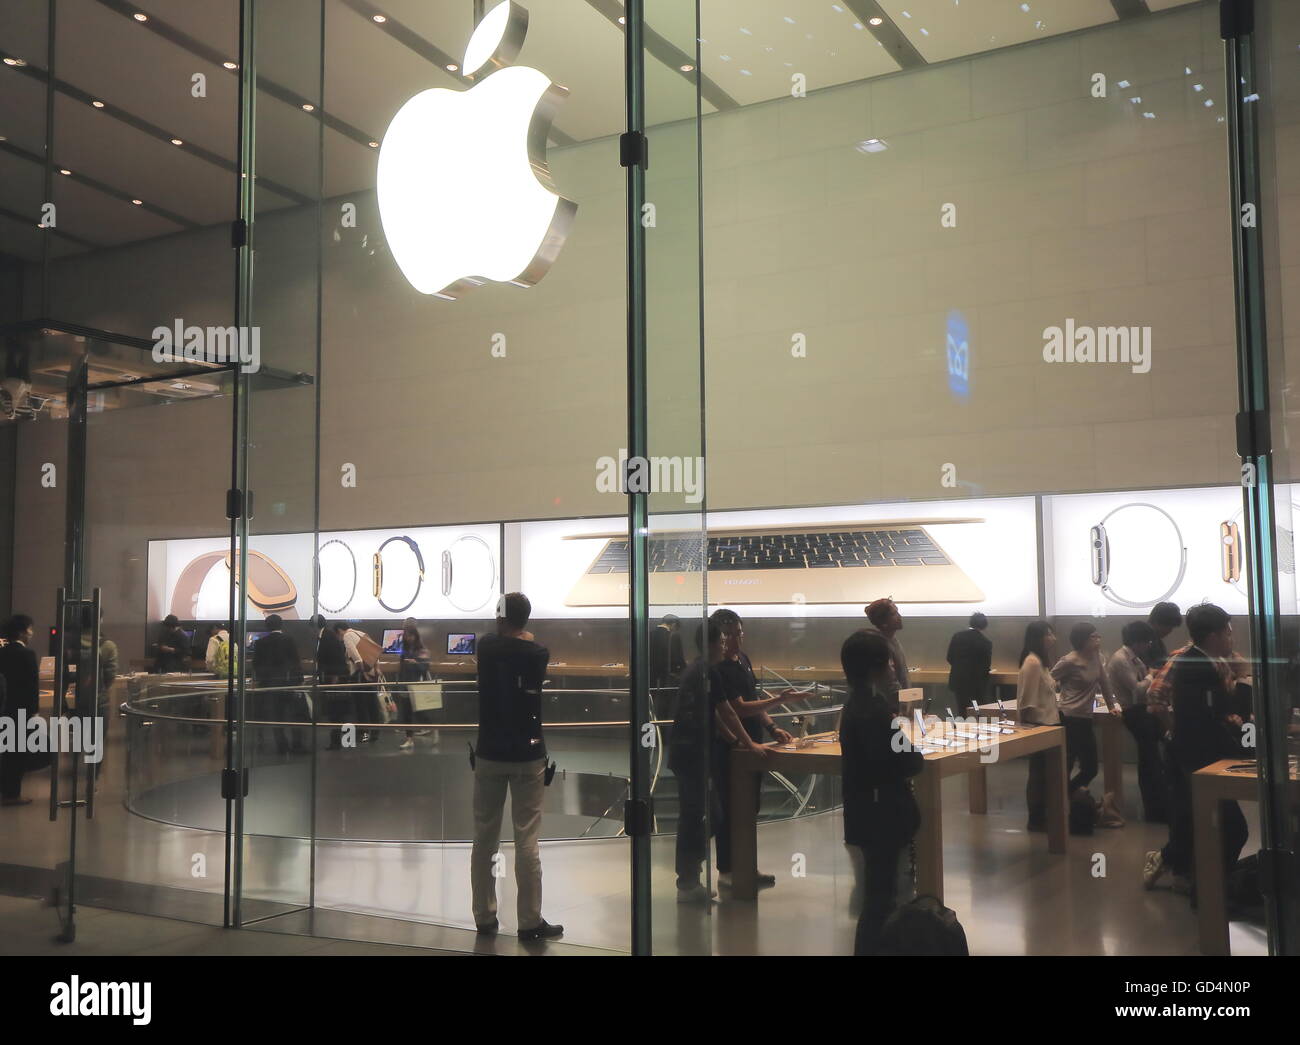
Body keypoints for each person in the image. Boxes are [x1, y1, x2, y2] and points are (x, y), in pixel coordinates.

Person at [470, 593, 563, 941]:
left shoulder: (487, 648)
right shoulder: (537, 654)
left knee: (484, 836)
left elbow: (496, 640)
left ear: (499, 617)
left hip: (489, 752)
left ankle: (484, 915)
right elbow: (530, 647)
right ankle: (529, 920)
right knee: (527, 837)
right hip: (528, 755)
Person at [1145, 603, 1249, 896]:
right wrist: (1172, 730)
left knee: (1191, 818)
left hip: (1200, 754)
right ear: (1214, 636)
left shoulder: (1212, 661)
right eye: (1228, 633)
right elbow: (1157, 696)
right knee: (1216, 823)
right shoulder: (1189, 661)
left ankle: (1191, 877)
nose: (1232, 639)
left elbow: (1219, 709)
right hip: (1195, 757)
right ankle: (1206, 888)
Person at [668, 620, 766, 903]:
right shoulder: (707, 672)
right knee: (700, 817)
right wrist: (748, 743)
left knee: (702, 815)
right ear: (712, 644)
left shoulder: (699, 670)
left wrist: (738, 740)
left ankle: (689, 878)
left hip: (692, 754)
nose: (726, 646)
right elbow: (730, 713)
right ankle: (687, 881)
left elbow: (717, 715)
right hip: (692, 756)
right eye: (722, 641)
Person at [840, 629, 924, 955]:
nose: (892, 668)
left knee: (876, 895)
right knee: (883, 897)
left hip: (865, 813)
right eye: (888, 662)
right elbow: (909, 761)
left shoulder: (856, 706)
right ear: (876, 666)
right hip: (884, 816)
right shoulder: (874, 711)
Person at [709, 608, 795, 889]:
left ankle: (747, 865)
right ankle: (726, 870)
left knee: (749, 808)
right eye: (730, 635)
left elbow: (753, 700)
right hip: (730, 750)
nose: (736, 640)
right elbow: (737, 710)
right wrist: (778, 701)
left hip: (752, 745)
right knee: (730, 808)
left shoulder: (743, 660)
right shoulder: (717, 668)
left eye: (739, 633)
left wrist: (772, 728)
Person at [1108, 620, 1169, 823]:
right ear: (1137, 641)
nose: (1149, 645)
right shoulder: (1120, 659)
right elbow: (1137, 689)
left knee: (1152, 759)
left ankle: (1159, 805)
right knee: (1149, 760)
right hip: (1133, 711)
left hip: (1142, 710)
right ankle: (1154, 809)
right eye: (1147, 641)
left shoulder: (1134, 658)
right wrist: (1152, 676)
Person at [1051, 622, 1120, 795]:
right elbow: (1048, 680)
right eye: (1093, 636)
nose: (1098, 639)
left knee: (1090, 768)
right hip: (1069, 716)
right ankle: (1062, 802)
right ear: (1083, 639)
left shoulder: (1097, 657)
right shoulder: (1069, 660)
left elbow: (1105, 683)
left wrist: (1111, 706)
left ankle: (1067, 795)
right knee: (1066, 763)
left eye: (1098, 636)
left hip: (1085, 718)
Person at [1016, 621, 1060, 832]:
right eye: (1049, 634)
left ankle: (1042, 815)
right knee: (1038, 774)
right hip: (1039, 724)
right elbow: (1027, 701)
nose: (1053, 638)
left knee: (1044, 774)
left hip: (1049, 723)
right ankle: (1036, 818)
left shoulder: (1041, 663)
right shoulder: (1032, 663)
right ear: (1039, 637)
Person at [250, 614, 306, 755]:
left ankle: (281, 745)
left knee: (277, 716)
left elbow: (256, 664)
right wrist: (299, 680)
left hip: (270, 685)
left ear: (267, 626)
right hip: (288, 684)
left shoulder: (261, 643)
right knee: (295, 716)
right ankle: (297, 745)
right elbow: (295, 661)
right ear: (281, 625)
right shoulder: (289, 640)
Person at [0, 615, 39, 806]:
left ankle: (5, 790)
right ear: (23, 631)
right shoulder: (28, 655)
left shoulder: (2, 653)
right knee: (18, 754)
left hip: (4, 709)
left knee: (6, 752)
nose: (32, 633)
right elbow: (32, 687)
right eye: (30, 629)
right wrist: (34, 711)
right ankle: (13, 794)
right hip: (21, 711)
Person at [314, 615, 351, 749]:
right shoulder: (327, 636)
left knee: (336, 711)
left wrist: (334, 678)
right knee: (339, 711)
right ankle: (342, 741)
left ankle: (338, 742)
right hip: (334, 678)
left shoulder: (327, 637)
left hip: (334, 680)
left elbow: (336, 659)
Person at [946, 612, 993, 715]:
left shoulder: (957, 636)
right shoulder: (985, 642)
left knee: (962, 710)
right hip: (976, 683)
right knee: (977, 712)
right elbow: (986, 666)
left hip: (958, 680)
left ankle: (961, 729)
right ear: (985, 625)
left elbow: (949, 657)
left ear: (971, 622)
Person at [396, 619, 432, 750]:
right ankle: (409, 739)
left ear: (415, 636)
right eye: (406, 635)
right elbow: (401, 667)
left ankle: (432, 728)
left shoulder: (421, 650)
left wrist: (415, 663)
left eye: (410, 635)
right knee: (407, 712)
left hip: (417, 685)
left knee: (418, 712)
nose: (408, 638)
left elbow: (425, 668)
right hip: (406, 684)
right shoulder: (404, 649)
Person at [864, 597, 909, 701]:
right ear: (884, 622)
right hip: (891, 706)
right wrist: (905, 703)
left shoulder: (893, 640)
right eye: (894, 614)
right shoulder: (881, 645)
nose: (899, 616)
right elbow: (890, 682)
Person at [649, 613, 687, 693]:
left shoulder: (649, 634)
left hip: (650, 677)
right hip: (668, 678)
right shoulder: (674, 636)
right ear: (674, 624)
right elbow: (678, 658)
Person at [1146, 602, 1183, 673]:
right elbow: (1150, 669)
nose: (1170, 631)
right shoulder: (1145, 641)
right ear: (1156, 622)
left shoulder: (1155, 638)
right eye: (1169, 626)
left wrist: (1171, 657)